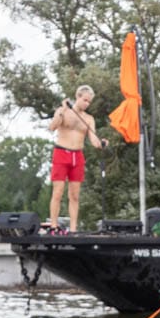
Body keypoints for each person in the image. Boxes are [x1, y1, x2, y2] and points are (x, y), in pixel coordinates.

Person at [47, 84, 105, 233]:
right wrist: (63, 110)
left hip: (77, 155)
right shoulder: (63, 111)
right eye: (85, 100)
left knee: (74, 195)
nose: (86, 104)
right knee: (58, 192)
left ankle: (73, 228)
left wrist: (101, 143)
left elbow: (93, 140)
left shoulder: (89, 119)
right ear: (77, 97)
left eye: (89, 102)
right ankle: (53, 226)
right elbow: (52, 127)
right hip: (61, 153)